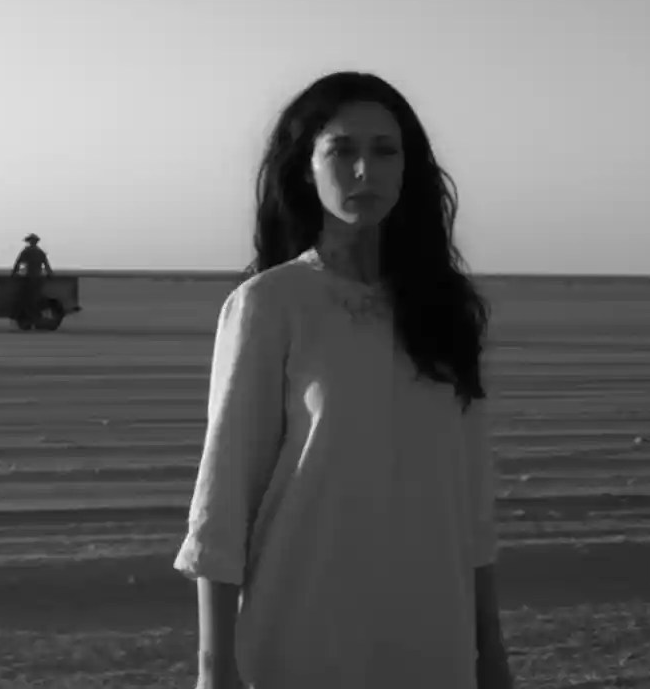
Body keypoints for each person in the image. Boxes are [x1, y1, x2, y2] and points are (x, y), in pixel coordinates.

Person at [174, 71, 514, 689]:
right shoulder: (269, 305)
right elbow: (222, 506)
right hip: (301, 637)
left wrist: (491, 656)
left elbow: (470, 508)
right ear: (306, 166)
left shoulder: (445, 311)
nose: (365, 171)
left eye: (385, 151)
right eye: (342, 150)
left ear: (409, 168)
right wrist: (213, 670)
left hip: (430, 640)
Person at [11, 233, 52, 320]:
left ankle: (24, 315)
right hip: (38, 278)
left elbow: (18, 264)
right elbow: (47, 266)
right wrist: (50, 275)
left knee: (23, 297)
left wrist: (14, 274)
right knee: (37, 297)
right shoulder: (40, 252)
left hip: (29, 278)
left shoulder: (26, 251)